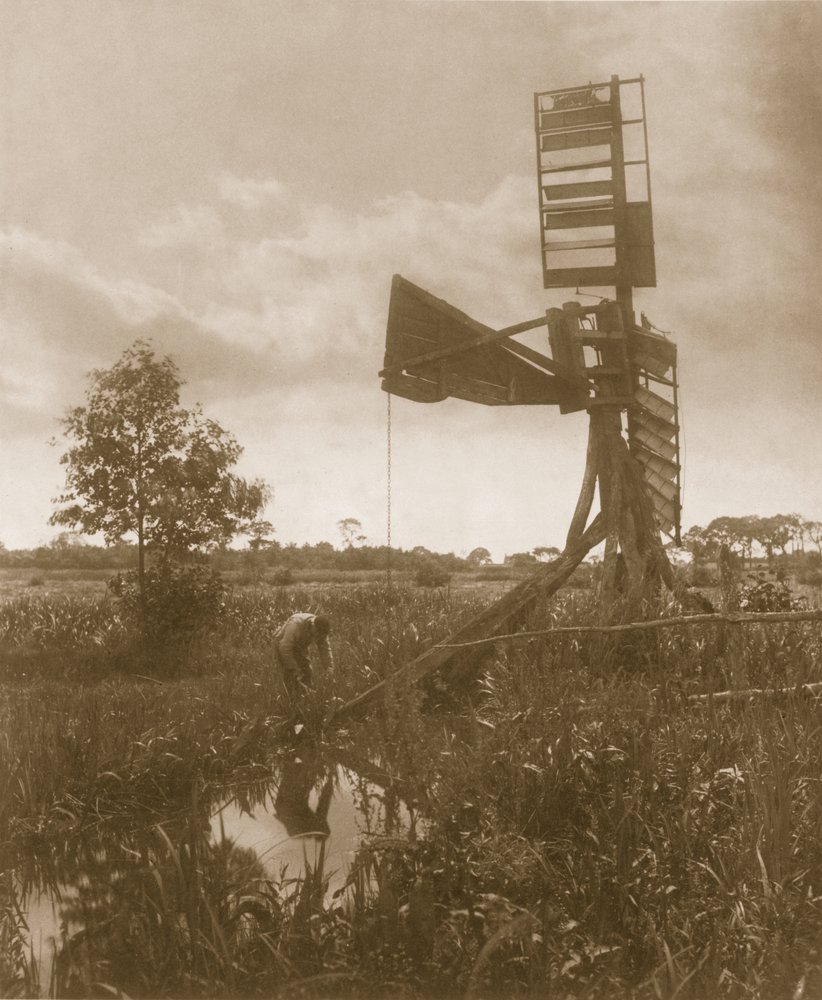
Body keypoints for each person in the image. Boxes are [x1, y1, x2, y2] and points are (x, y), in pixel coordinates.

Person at [273, 612, 333, 697]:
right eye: (318, 633)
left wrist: (329, 668)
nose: (319, 637)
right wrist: (294, 668)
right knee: (292, 676)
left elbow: (325, 649)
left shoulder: (320, 629)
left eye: (321, 635)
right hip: (282, 645)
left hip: (300, 646)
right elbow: (284, 648)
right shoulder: (295, 625)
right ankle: (291, 699)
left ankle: (307, 697)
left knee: (307, 672)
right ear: (313, 625)